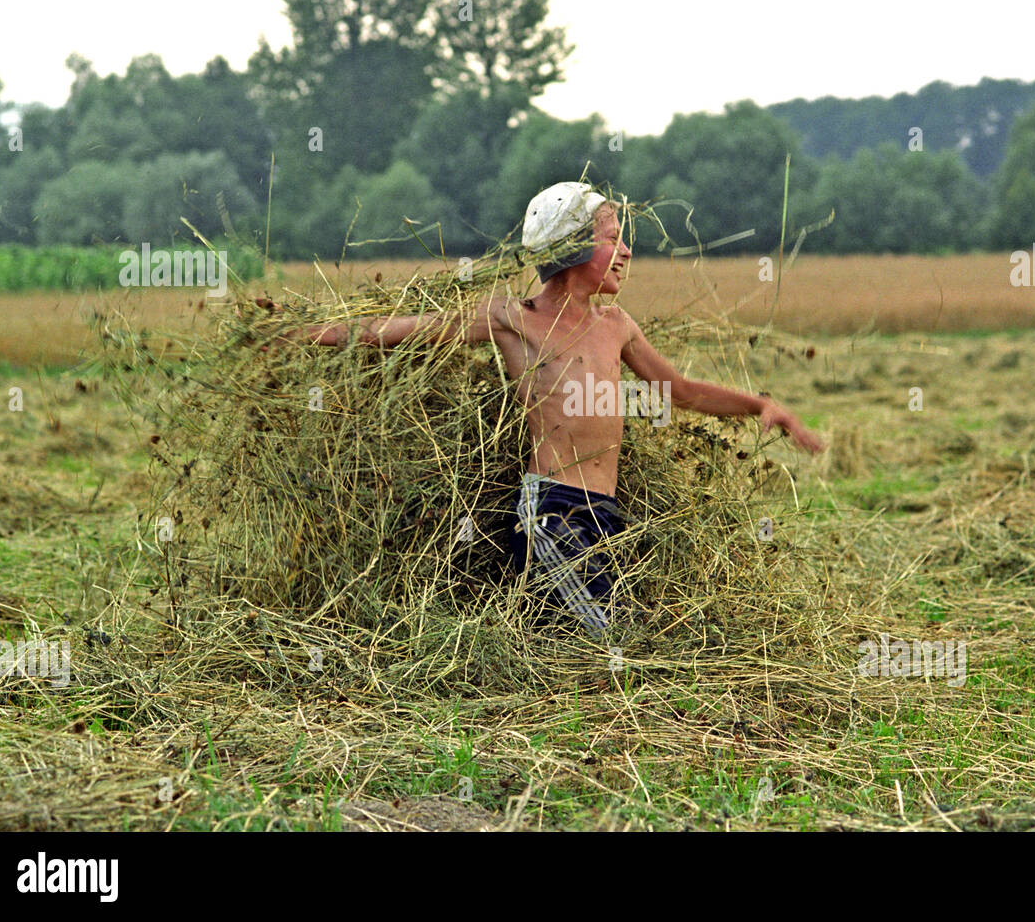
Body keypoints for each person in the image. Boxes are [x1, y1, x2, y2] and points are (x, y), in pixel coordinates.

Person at [260, 182, 823, 636]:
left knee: (588, 634)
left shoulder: (616, 325)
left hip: (608, 515)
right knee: (615, 637)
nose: (626, 251)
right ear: (574, 248)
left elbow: (680, 390)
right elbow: (405, 332)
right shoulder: (515, 319)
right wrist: (308, 335)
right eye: (612, 239)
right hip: (552, 513)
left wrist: (761, 405)